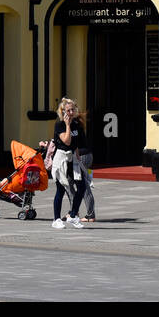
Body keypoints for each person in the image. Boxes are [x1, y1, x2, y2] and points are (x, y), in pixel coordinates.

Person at [46, 97, 87, 230]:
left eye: (72, 110)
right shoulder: (60, 125)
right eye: (68, 110)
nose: (70, 112)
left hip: (72, 159)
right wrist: (67, 125)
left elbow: (75, 144)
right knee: (61, 189)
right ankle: (56, 219)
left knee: (82, 187)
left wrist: (78, 157)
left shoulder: (76, 124)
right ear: (62, 112)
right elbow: (67, 141)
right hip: (61, 159)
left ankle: (73, 215)